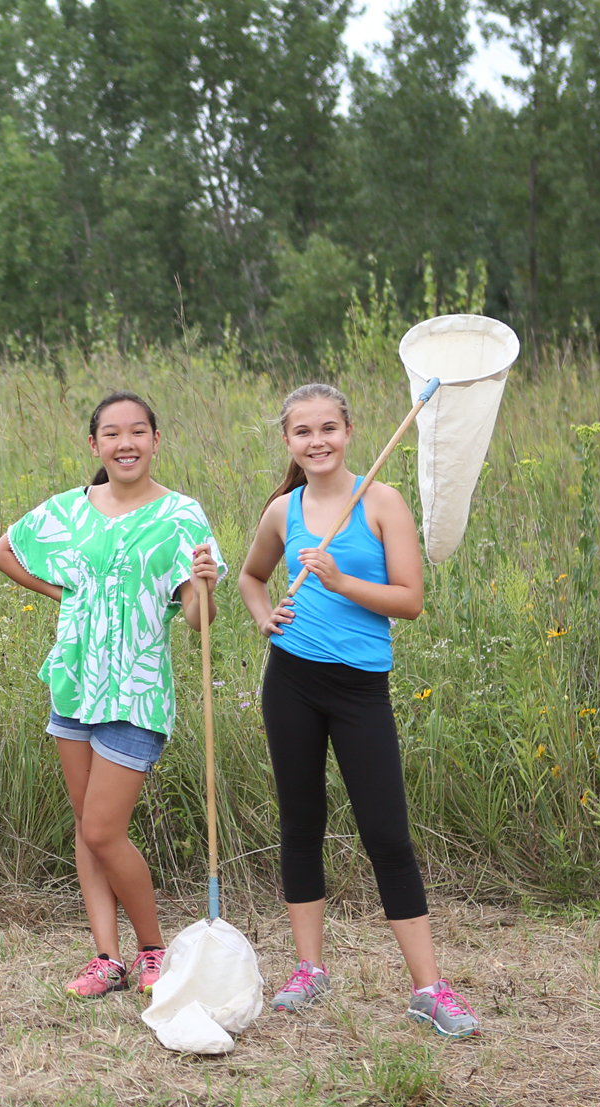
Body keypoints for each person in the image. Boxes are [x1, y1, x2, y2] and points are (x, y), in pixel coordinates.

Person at [236, 383, 478, 1036]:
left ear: (349, 431)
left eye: (328, 428)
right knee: (301, 823)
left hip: (359, 689)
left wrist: (340, 580)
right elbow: (251, 577)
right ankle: (309, 969)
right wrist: (265, 618)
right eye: (303, 431)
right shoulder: (283, 511)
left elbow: (410, 600)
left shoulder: (382, 502)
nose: (317, 441)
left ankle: (428, 988)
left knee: (386, 833)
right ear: (288, 440)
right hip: (291, 682)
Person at [0, 391, 222, 999]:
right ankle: (106, 958)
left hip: (136, 691)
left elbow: (197, 620)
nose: (126, 443)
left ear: (155, 440)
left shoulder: (181, 516)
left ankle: (152, 949)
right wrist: (66, 595)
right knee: (85, 825)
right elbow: (1, 551)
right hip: (74, 682)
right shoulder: (69, 510)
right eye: (112, 434)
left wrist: (203, 587)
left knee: (101, 830)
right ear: (95, 444)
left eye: (138, 431)